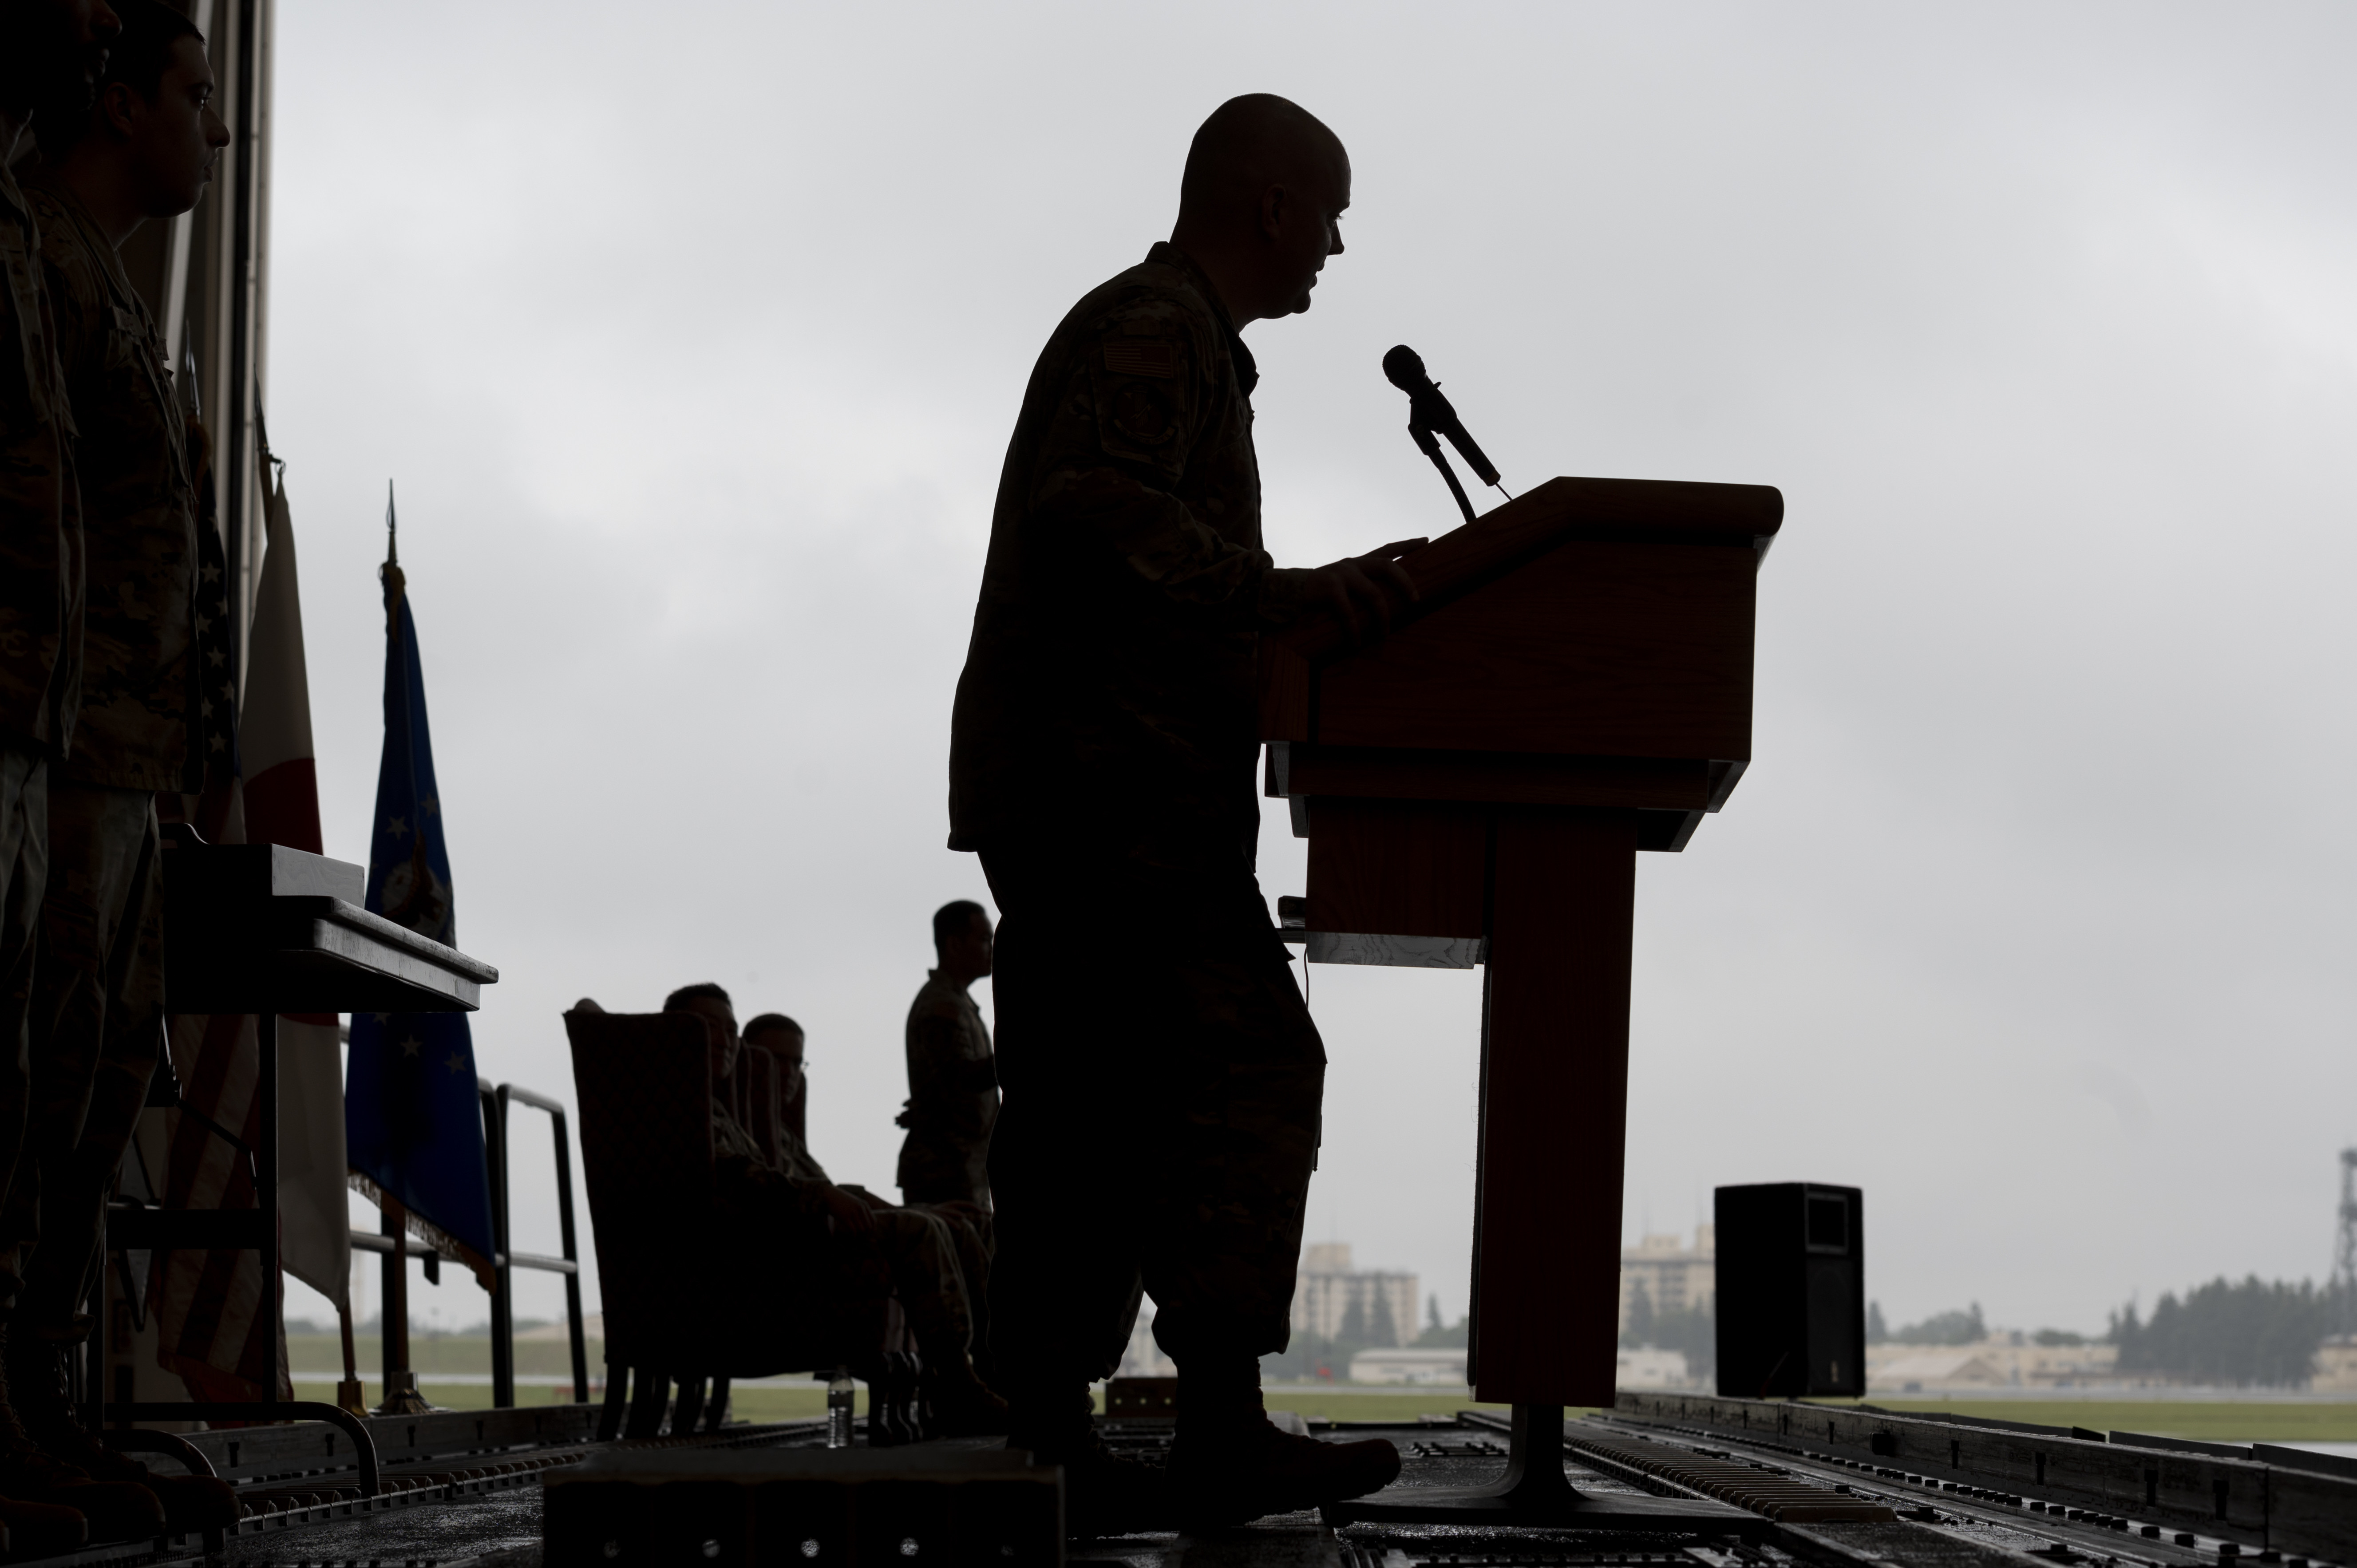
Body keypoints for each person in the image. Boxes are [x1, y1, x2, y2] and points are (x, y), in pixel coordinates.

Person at [945, 93, 1421, 1530]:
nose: (1339, 245)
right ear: (1270, 204)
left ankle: (1054, 1433)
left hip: (1109, 785)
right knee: (1244, 1068)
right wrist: (1284, 594)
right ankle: (1210, 1424)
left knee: (1093, 1099)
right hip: (1111, 787)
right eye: (1328, 212)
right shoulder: (1155, 329)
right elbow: (1093, 514)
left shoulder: (1183, 340)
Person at [3, 7, 232, 1536]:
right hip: (61, 751)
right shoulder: (36, 255)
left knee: (95, 1090)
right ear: (118, 100)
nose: (215, 126)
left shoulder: (117, 291)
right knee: (26, 1085)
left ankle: (34, 1397)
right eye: (196, 94)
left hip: (125, 768)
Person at [662, 985, 1005, 1435]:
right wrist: (831, 1199)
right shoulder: (680, 1106)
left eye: (729, 1029)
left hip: (783, 1236)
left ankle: (995, 1374)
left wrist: (926, 1208)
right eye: (710, 1028)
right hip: (755, 1252)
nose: (724, 1040)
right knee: (922, 1230)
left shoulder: (728, 1111)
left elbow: (825, 1186)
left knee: (961, 1223)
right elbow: (743, 1178)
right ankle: (961, 1384)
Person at [894, 900, 997, 1211]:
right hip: (944, 1170)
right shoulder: (942, 1006)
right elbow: (960, 1076)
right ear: (954, 944)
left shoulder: (956, 1002)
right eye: (983, 939)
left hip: (963, 1165)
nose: (992, 947)